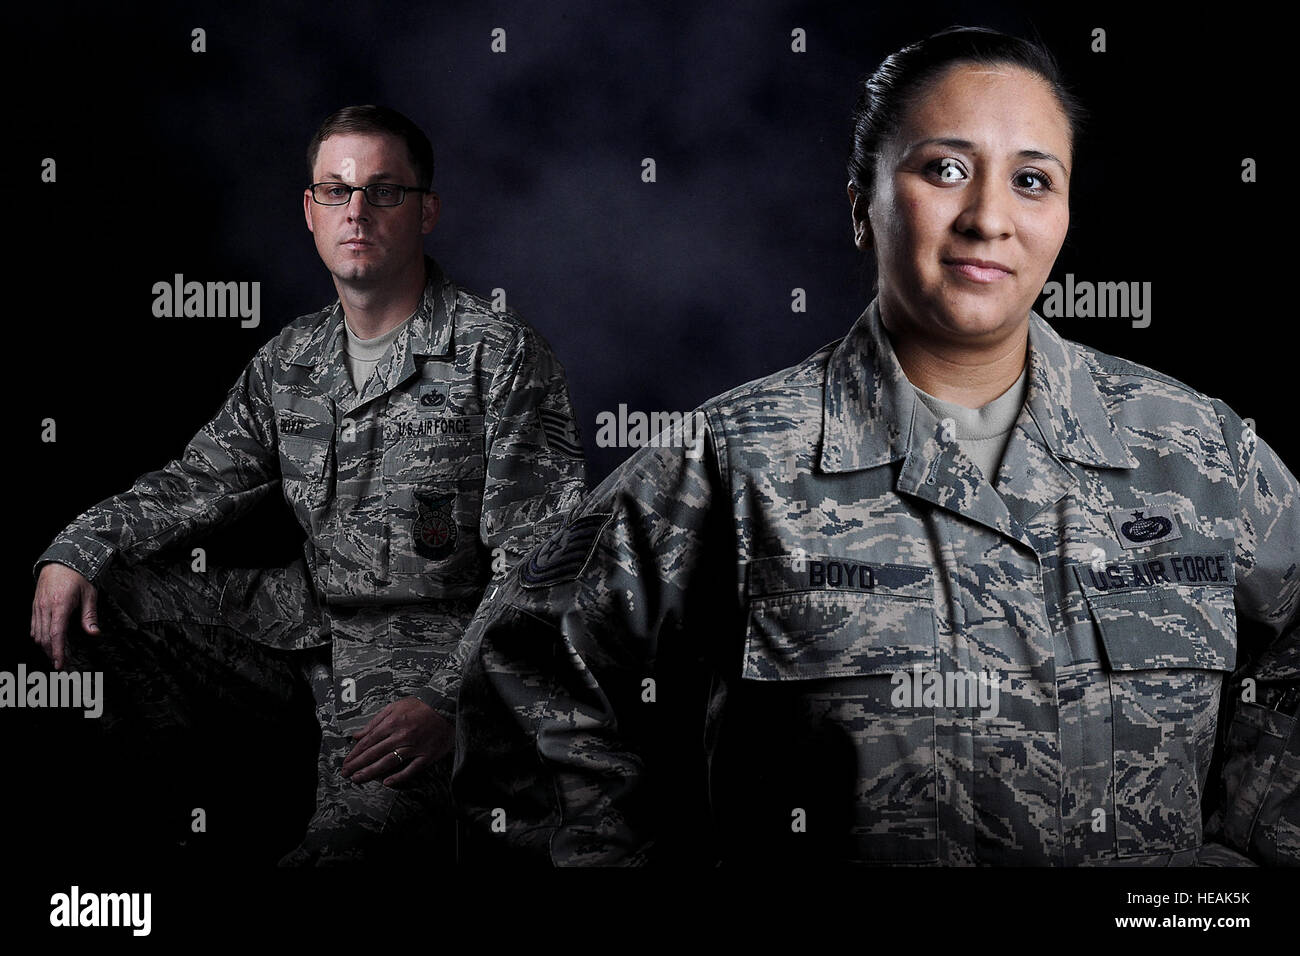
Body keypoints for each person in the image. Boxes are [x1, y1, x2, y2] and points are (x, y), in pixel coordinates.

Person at [449, 27, 1298, 865]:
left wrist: (1237, 871)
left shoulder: (1198, 451)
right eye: (945, 169)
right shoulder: (731, 463)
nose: (988, 218)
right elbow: (528, 683)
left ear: (1067, 215)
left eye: (1032, 180)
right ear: (862, 205)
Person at [29, 104, 587, 865]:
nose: (356, 211)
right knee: (96, 600)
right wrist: (75, 546)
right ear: (310, 210)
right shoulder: (293, 359)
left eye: (384, 192)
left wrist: (451, 699)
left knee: (344, 856)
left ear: (426, 211)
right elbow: (197, 481)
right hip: (306, 620)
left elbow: (541, 563)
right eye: (336, 190)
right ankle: (169, 814)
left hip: (427, 651)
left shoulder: (499, 355)